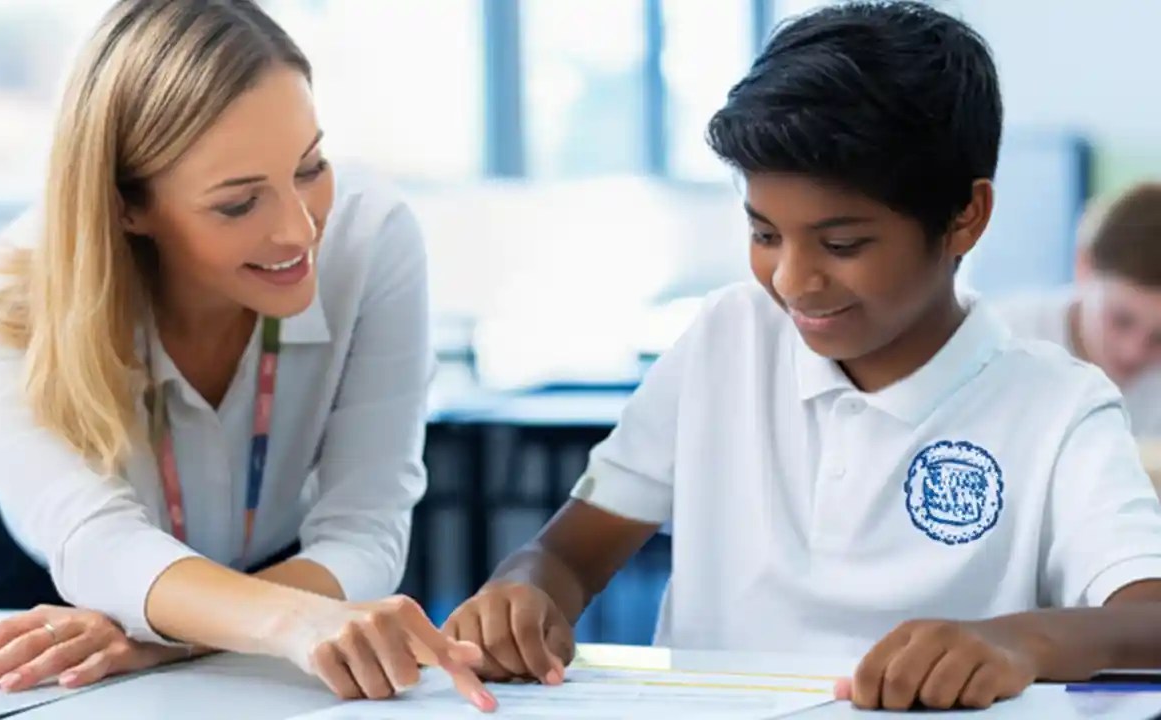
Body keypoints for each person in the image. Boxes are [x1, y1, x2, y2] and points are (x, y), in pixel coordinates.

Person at [442, 1, 1161, 712]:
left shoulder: (1058, 407)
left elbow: (1149, 619)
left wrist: (1022, 642)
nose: (792, 280)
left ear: (965, 216)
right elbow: (568, 554)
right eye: (763, 235)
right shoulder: (725, 336)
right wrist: (525, 591)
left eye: (842, 245)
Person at [0, 0, 494, 711]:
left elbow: (366, 528)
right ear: (126, 207)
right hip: (51, 627)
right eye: (237, 205)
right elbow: (99, 547)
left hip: (276, 609)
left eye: (311, 165)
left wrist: (173, 640)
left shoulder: (371, 238)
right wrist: (284, 623)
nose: (300, 231)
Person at [996, 183, 1161, 438]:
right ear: (1083, 266)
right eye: (1121, 320)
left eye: (1159, 337)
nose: (1133, 352)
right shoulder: (995, 346)